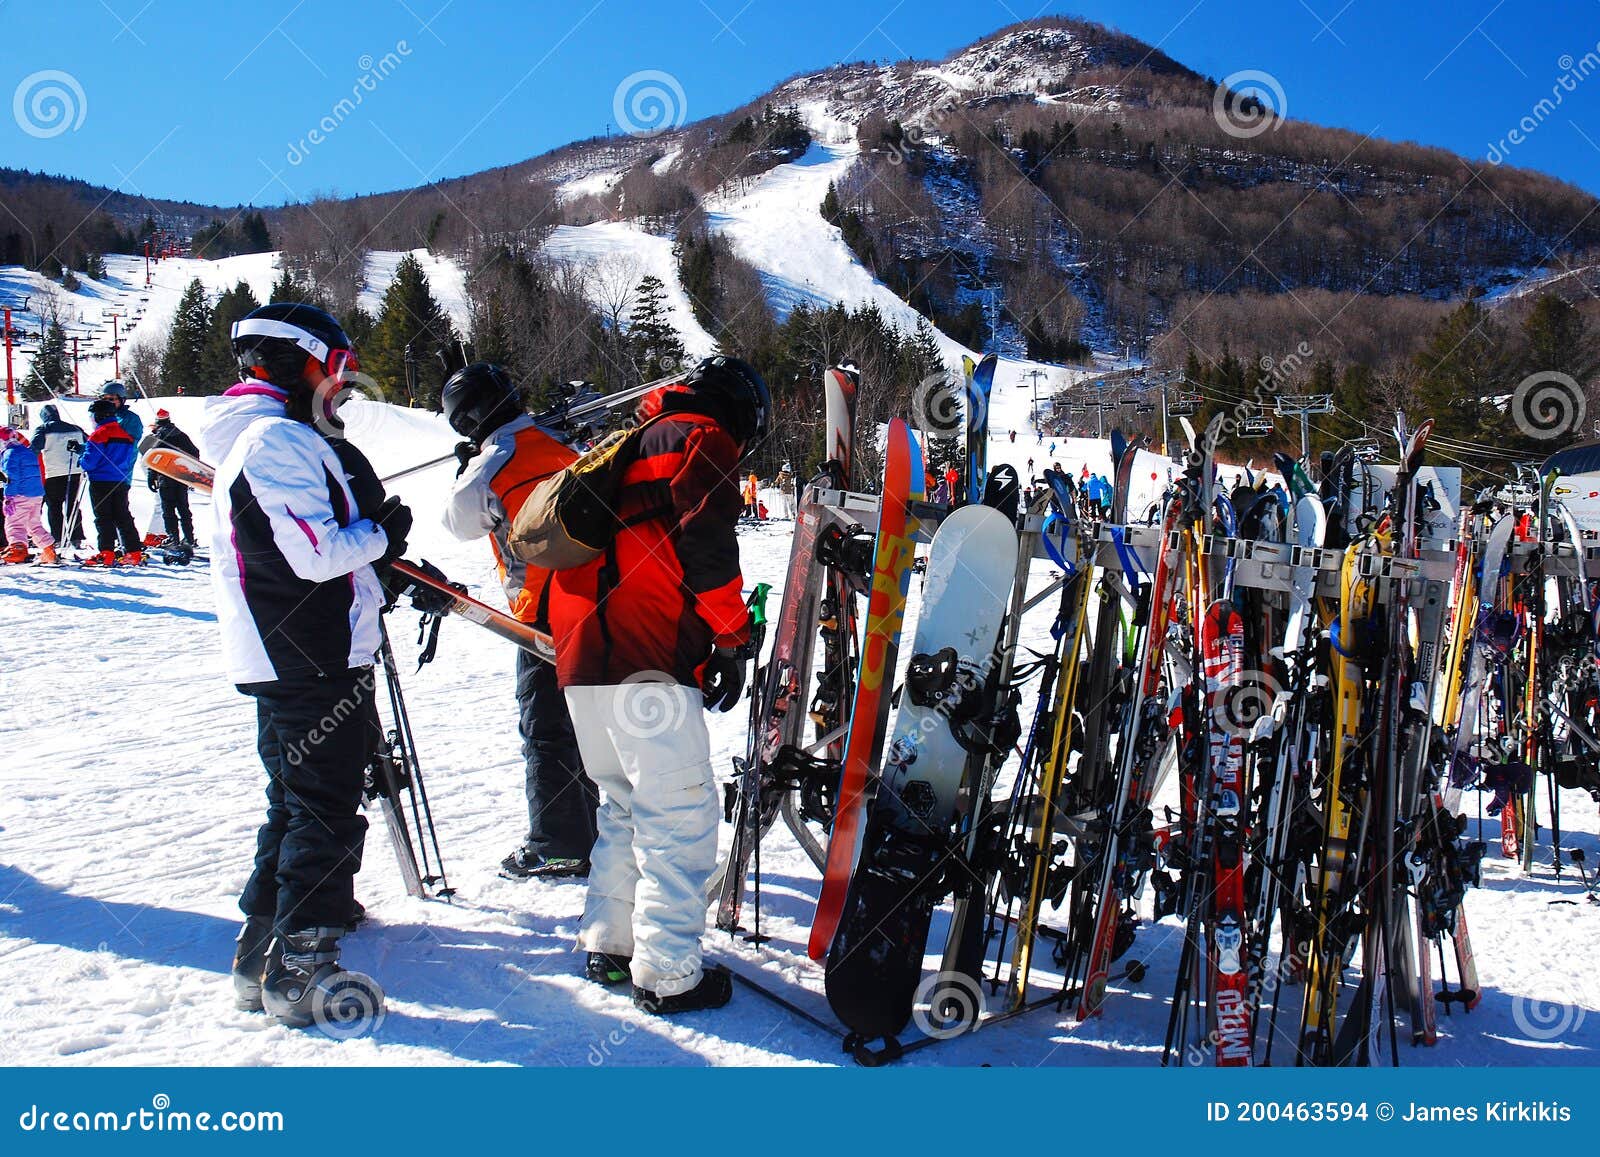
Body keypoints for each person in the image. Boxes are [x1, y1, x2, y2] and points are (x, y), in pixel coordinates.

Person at [201, 302, 411, 1028]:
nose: (344, 384)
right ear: (300, 362)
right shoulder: (276, 443)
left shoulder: (270, 439)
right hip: (308, 660)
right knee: (321, 808)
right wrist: (380, 536)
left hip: (297, 654)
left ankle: (258, 955)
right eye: (339, 368)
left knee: (294, 805)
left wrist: (376, 546)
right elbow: (316, 555)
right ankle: (300, 967)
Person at [548, 354, 764, 1014]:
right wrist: (731, 635)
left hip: (583, 659)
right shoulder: (700, 436)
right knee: (680, 817)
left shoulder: (628, 439)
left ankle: (609, 946)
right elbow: (706, 547)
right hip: (646, 660)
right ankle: (669, 973)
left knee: (623, 806)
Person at [439, 362, 597, 881]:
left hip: (542, 613)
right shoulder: (559, 441)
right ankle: (599, 827)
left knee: (546, 727)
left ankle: (558, 843)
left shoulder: (491, 465)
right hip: (595, 598)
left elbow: (457, 524)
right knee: (590, 722)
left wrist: (469, 467)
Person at [79, 398, 143, 567]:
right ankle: (134, 552)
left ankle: (106, 552)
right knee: (123, 516)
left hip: (100, 480)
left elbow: (90, 462)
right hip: (120, 480)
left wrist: (81, 457)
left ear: (99, 415)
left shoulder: (99, 434)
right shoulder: (125, 434)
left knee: (103, 517)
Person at [141, 408, 200, 548]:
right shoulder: (182, 435)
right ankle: (189, 538)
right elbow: (195, 452)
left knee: (168, 510)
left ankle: (173, 538)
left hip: (166, 477)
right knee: (183, 509)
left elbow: (153, 457)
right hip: (181, 476)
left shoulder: (158, 437)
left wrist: (151, 476)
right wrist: (192, 472)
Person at [31, 403, 86, 549]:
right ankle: (77, 537)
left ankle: (58, 537)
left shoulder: (43, 429)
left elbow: (35, 447)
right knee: (73, 504)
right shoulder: (76, 428)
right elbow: (89, 443)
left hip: (54, 473)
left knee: (54, 506)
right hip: (75, 471)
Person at [0, 426, 57, 565]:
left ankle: (18, 549)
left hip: (20, 494)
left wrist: (8, 497)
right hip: (36, 494)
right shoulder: (27, 451)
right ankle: (48, 549)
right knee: (33, 524)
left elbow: (11, 477)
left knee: (14, 522)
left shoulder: (10, 453)